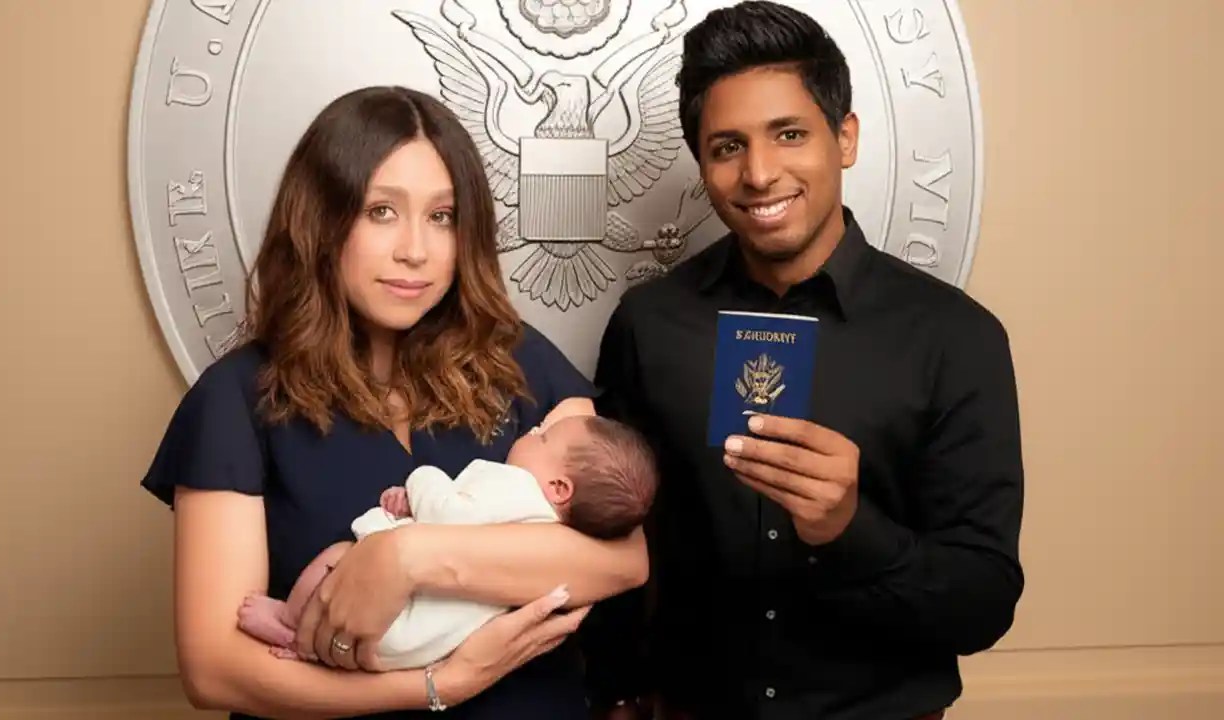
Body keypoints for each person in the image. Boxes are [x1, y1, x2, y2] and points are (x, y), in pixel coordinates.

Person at [140, 85, 650, 720]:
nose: (417, 249)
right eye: (382, 211)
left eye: (442, 216)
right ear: (321, 219)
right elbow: (214, 670)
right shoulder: (236, 399)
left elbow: (621, 561)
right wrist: (443, 683)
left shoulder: (518, 358)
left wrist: (407, 557)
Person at [581, 2, 1025, 719]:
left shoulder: (955, 338)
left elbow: (982, 606)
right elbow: (614, 537)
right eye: (727, 146)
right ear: (702, 159)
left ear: (844, 138)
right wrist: (614, 690)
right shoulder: (650, 324)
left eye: (789, 135)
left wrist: (852, 529)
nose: (759, 173)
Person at [237, 413, 658, 671]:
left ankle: (292, 624)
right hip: (433, 645)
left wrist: (421, 480)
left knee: (338, 557)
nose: (531, 431)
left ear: (560, 487)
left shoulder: (516, 489)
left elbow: (451, 514)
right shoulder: (559, 531)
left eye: (542, 437)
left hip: (391, 620)